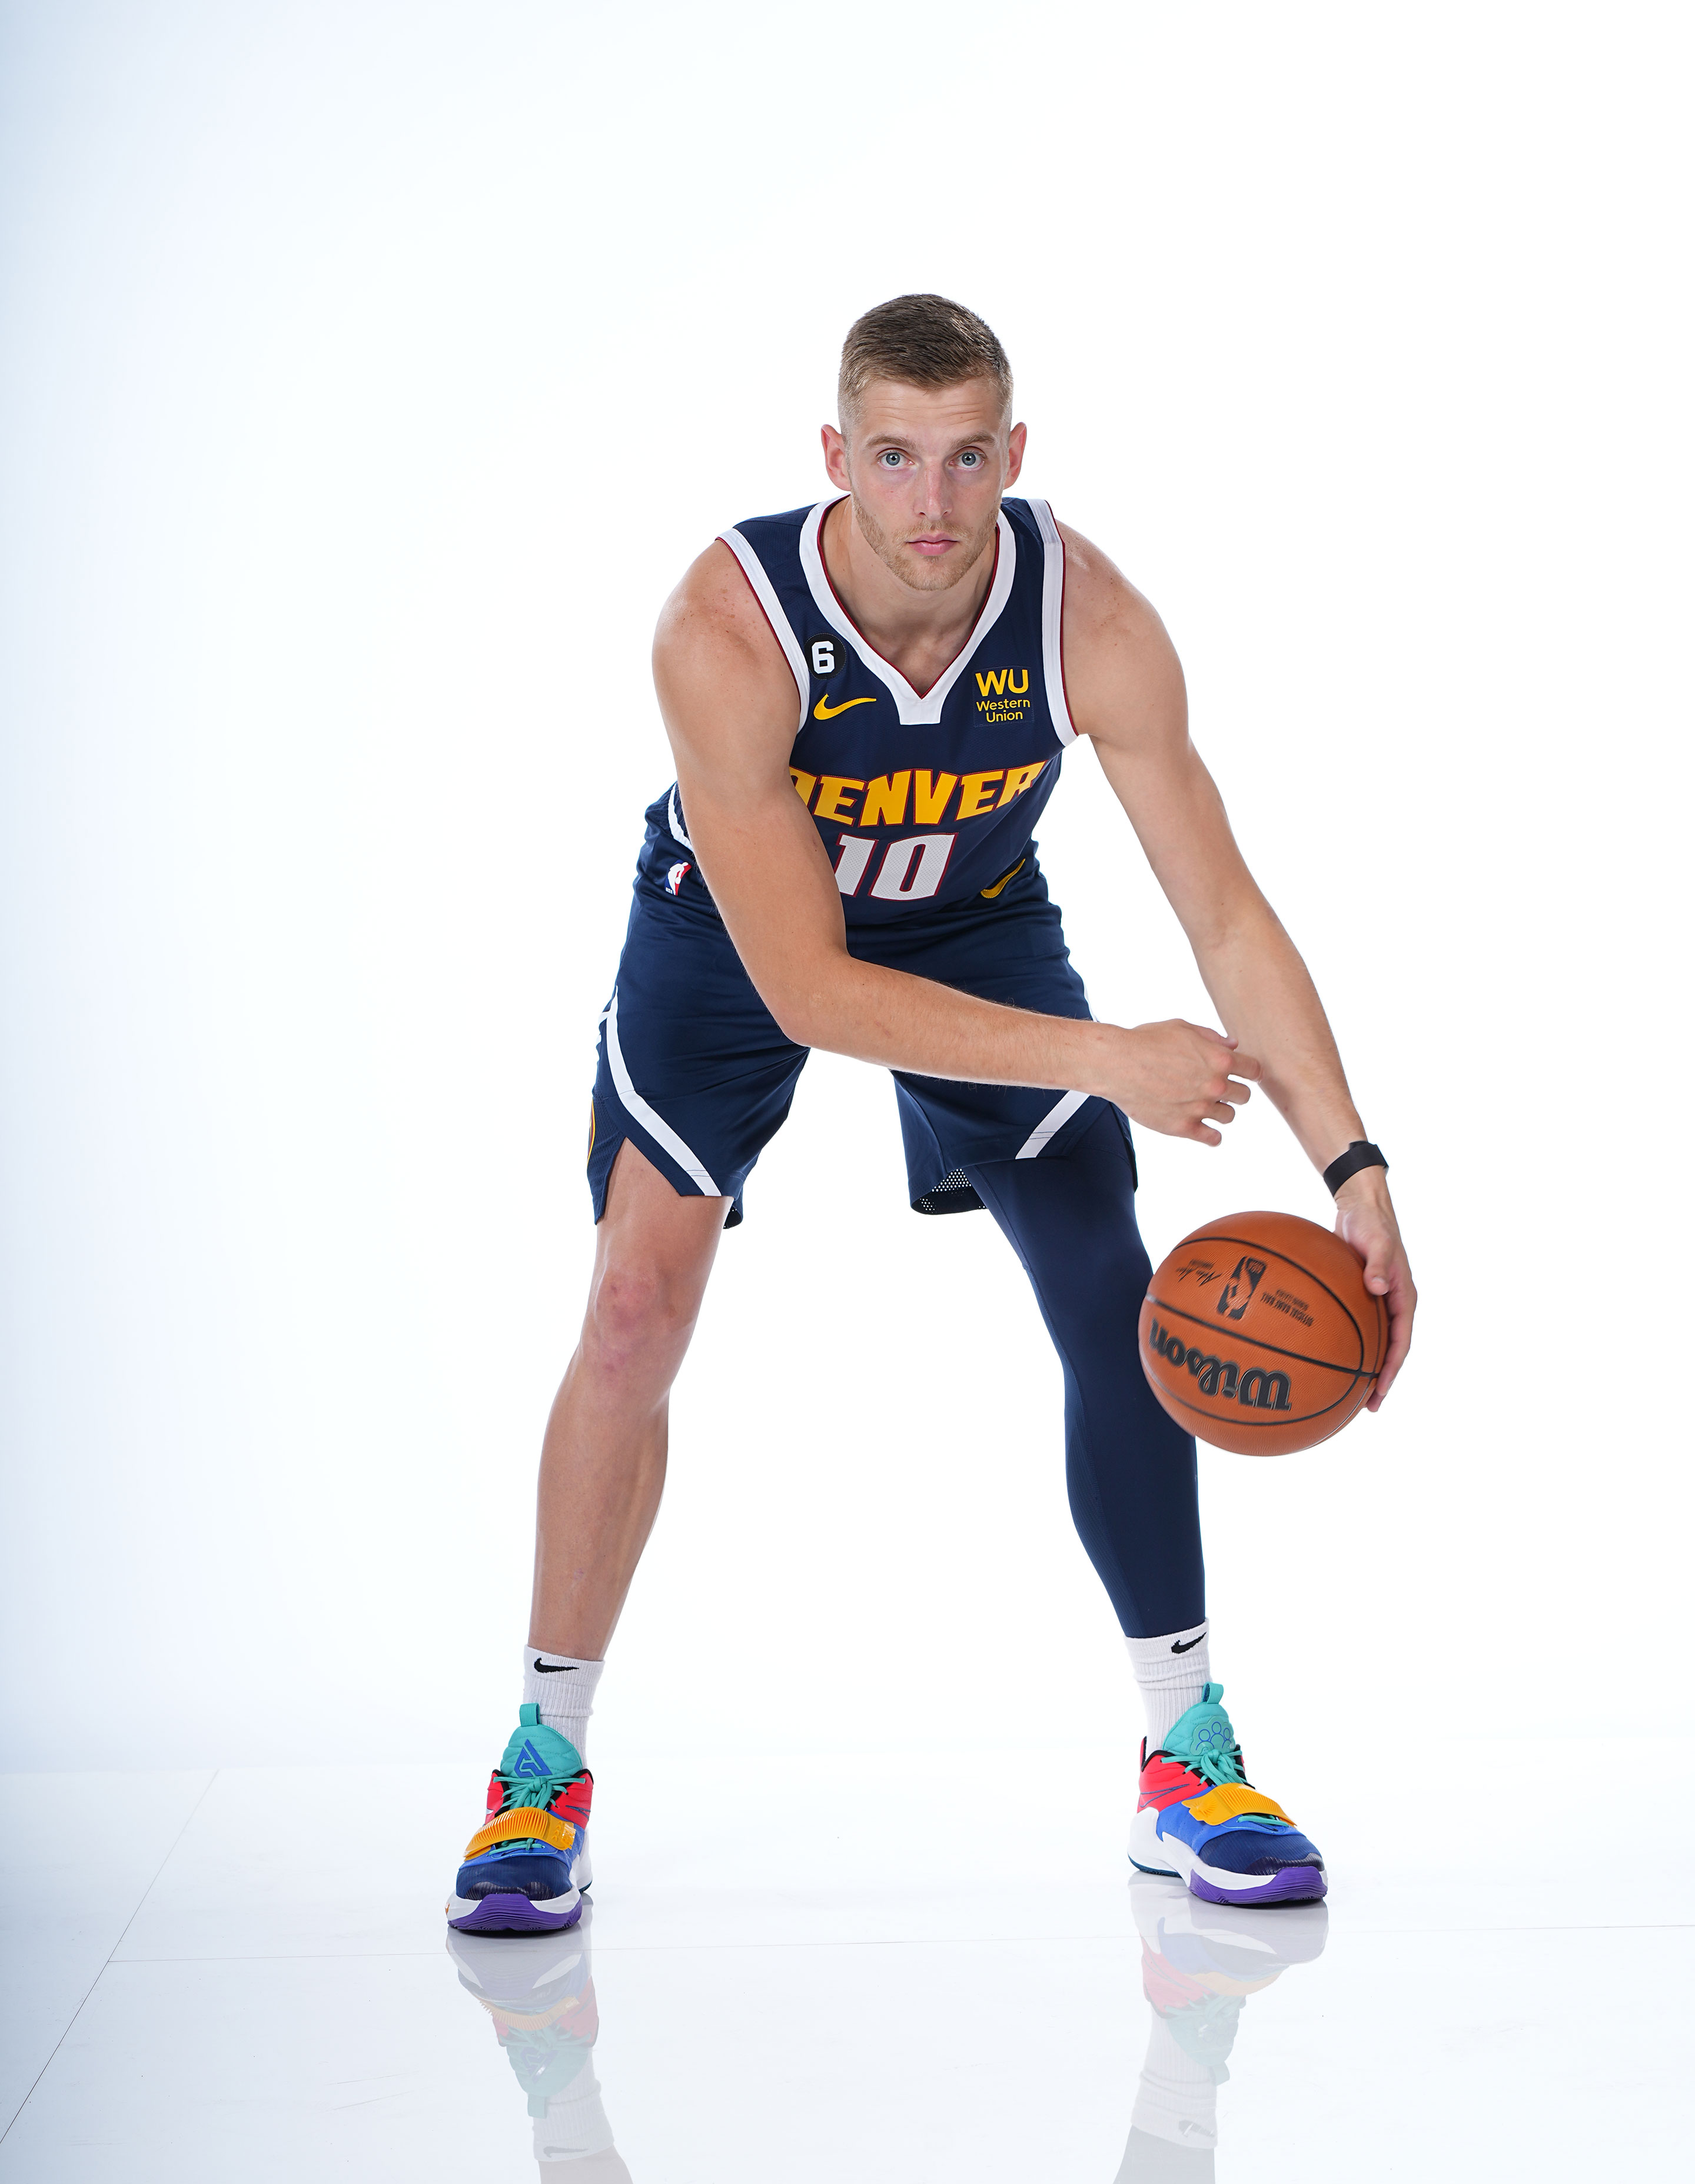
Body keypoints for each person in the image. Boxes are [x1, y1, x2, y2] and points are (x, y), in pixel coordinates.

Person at [444, 294, 1415, 1937]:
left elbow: (1228, 915)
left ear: (1014, 456)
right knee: (630, 1313)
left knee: (1119, 1302)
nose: (933, 503)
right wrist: (1106, 1056)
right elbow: (815, 992)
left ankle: (1190, 1757)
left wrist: (1359, 1166)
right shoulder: (725, 625)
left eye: (968, 459)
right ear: (836, 455)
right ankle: (540, 1768)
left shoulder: (1088, 614)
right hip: (734, 943)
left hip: (973, 919)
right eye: (894, 457)